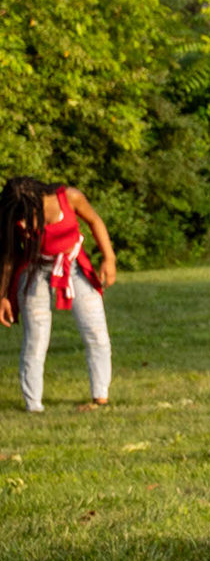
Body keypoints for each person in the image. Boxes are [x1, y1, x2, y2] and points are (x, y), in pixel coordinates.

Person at [1, 177, 118, 414]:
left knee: (96, 332)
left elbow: (95, 221)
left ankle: (100, 398)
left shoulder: (70, 198)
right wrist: (3, 295)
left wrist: (109, 257)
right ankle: (33, 406)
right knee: (36, 339)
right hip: (35, 269)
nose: (24, 220)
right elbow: (9, 256)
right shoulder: (14, 215)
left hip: (73, 265)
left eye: (27, 213)